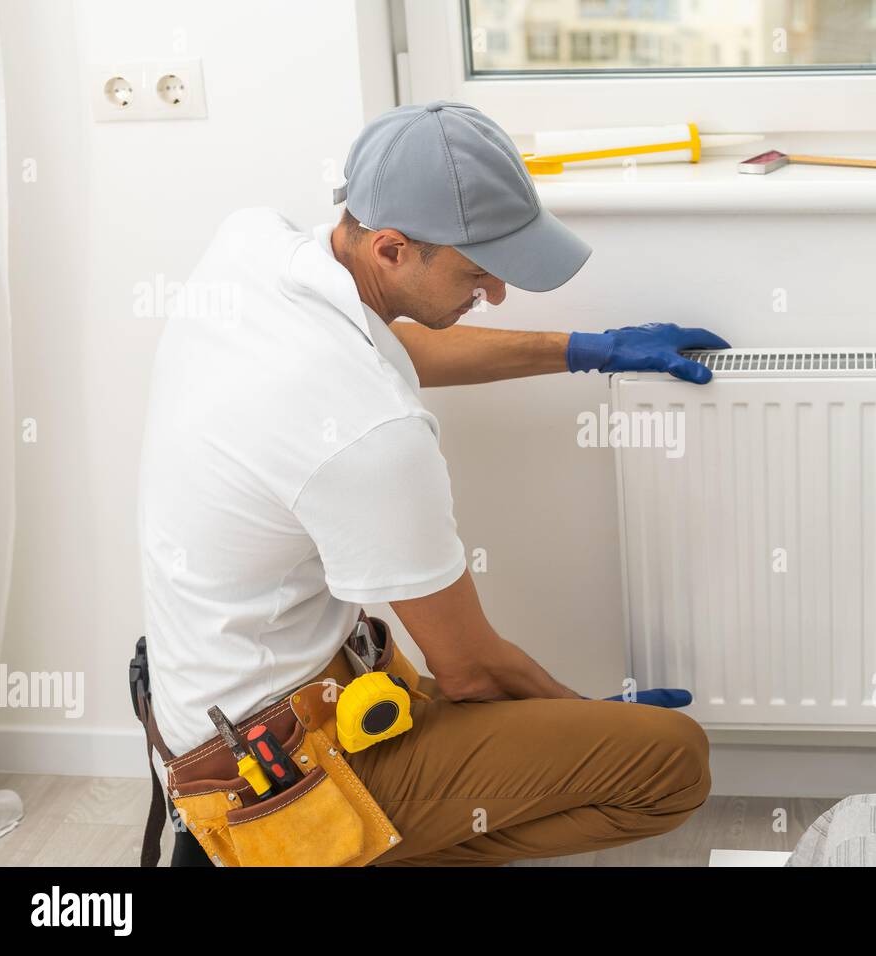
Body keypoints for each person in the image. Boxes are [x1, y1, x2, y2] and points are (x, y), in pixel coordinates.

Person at [137, 100, 729, 865]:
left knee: (513, 740)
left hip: (241, 703)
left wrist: (589, 348)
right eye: (478, 273)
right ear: (390, 248)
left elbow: (386, 352)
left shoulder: (253, 248)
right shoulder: (371, 438)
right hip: (274, 771)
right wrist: (584, 721)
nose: (499, 292)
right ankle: (328, 853)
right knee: (670, 762)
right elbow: (473, 672)